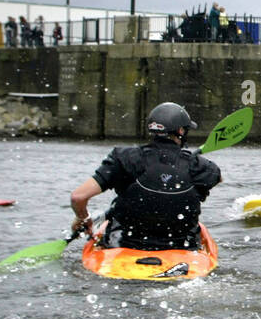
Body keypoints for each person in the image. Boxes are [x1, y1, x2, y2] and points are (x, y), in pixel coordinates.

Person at [69, 102, 221, 250]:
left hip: (126, 245)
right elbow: (217, 178)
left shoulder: (123, 158)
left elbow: (78, 197)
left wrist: (84, 219)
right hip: (180, 247)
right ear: (181, 131)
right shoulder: (200, 165)